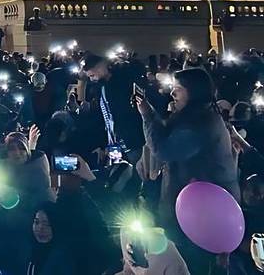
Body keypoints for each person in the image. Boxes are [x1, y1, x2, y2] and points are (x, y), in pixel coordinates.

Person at [135, 67, 239, 262]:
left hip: (203, 216)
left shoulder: (199, 123)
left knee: (193, 261)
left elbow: (166, 150)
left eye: (178, 89)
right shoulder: (196, 116)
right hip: (196, 210)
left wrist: (148, 116)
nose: (172, 93)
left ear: (194, 91)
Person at [83, 53, 147, 163]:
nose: (91, 79)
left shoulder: (123, 82)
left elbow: (127, 112)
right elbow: (102, 116)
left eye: (92, 76)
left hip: (131, 140)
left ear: (100, 68)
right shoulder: (101, 88)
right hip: (114, 142)